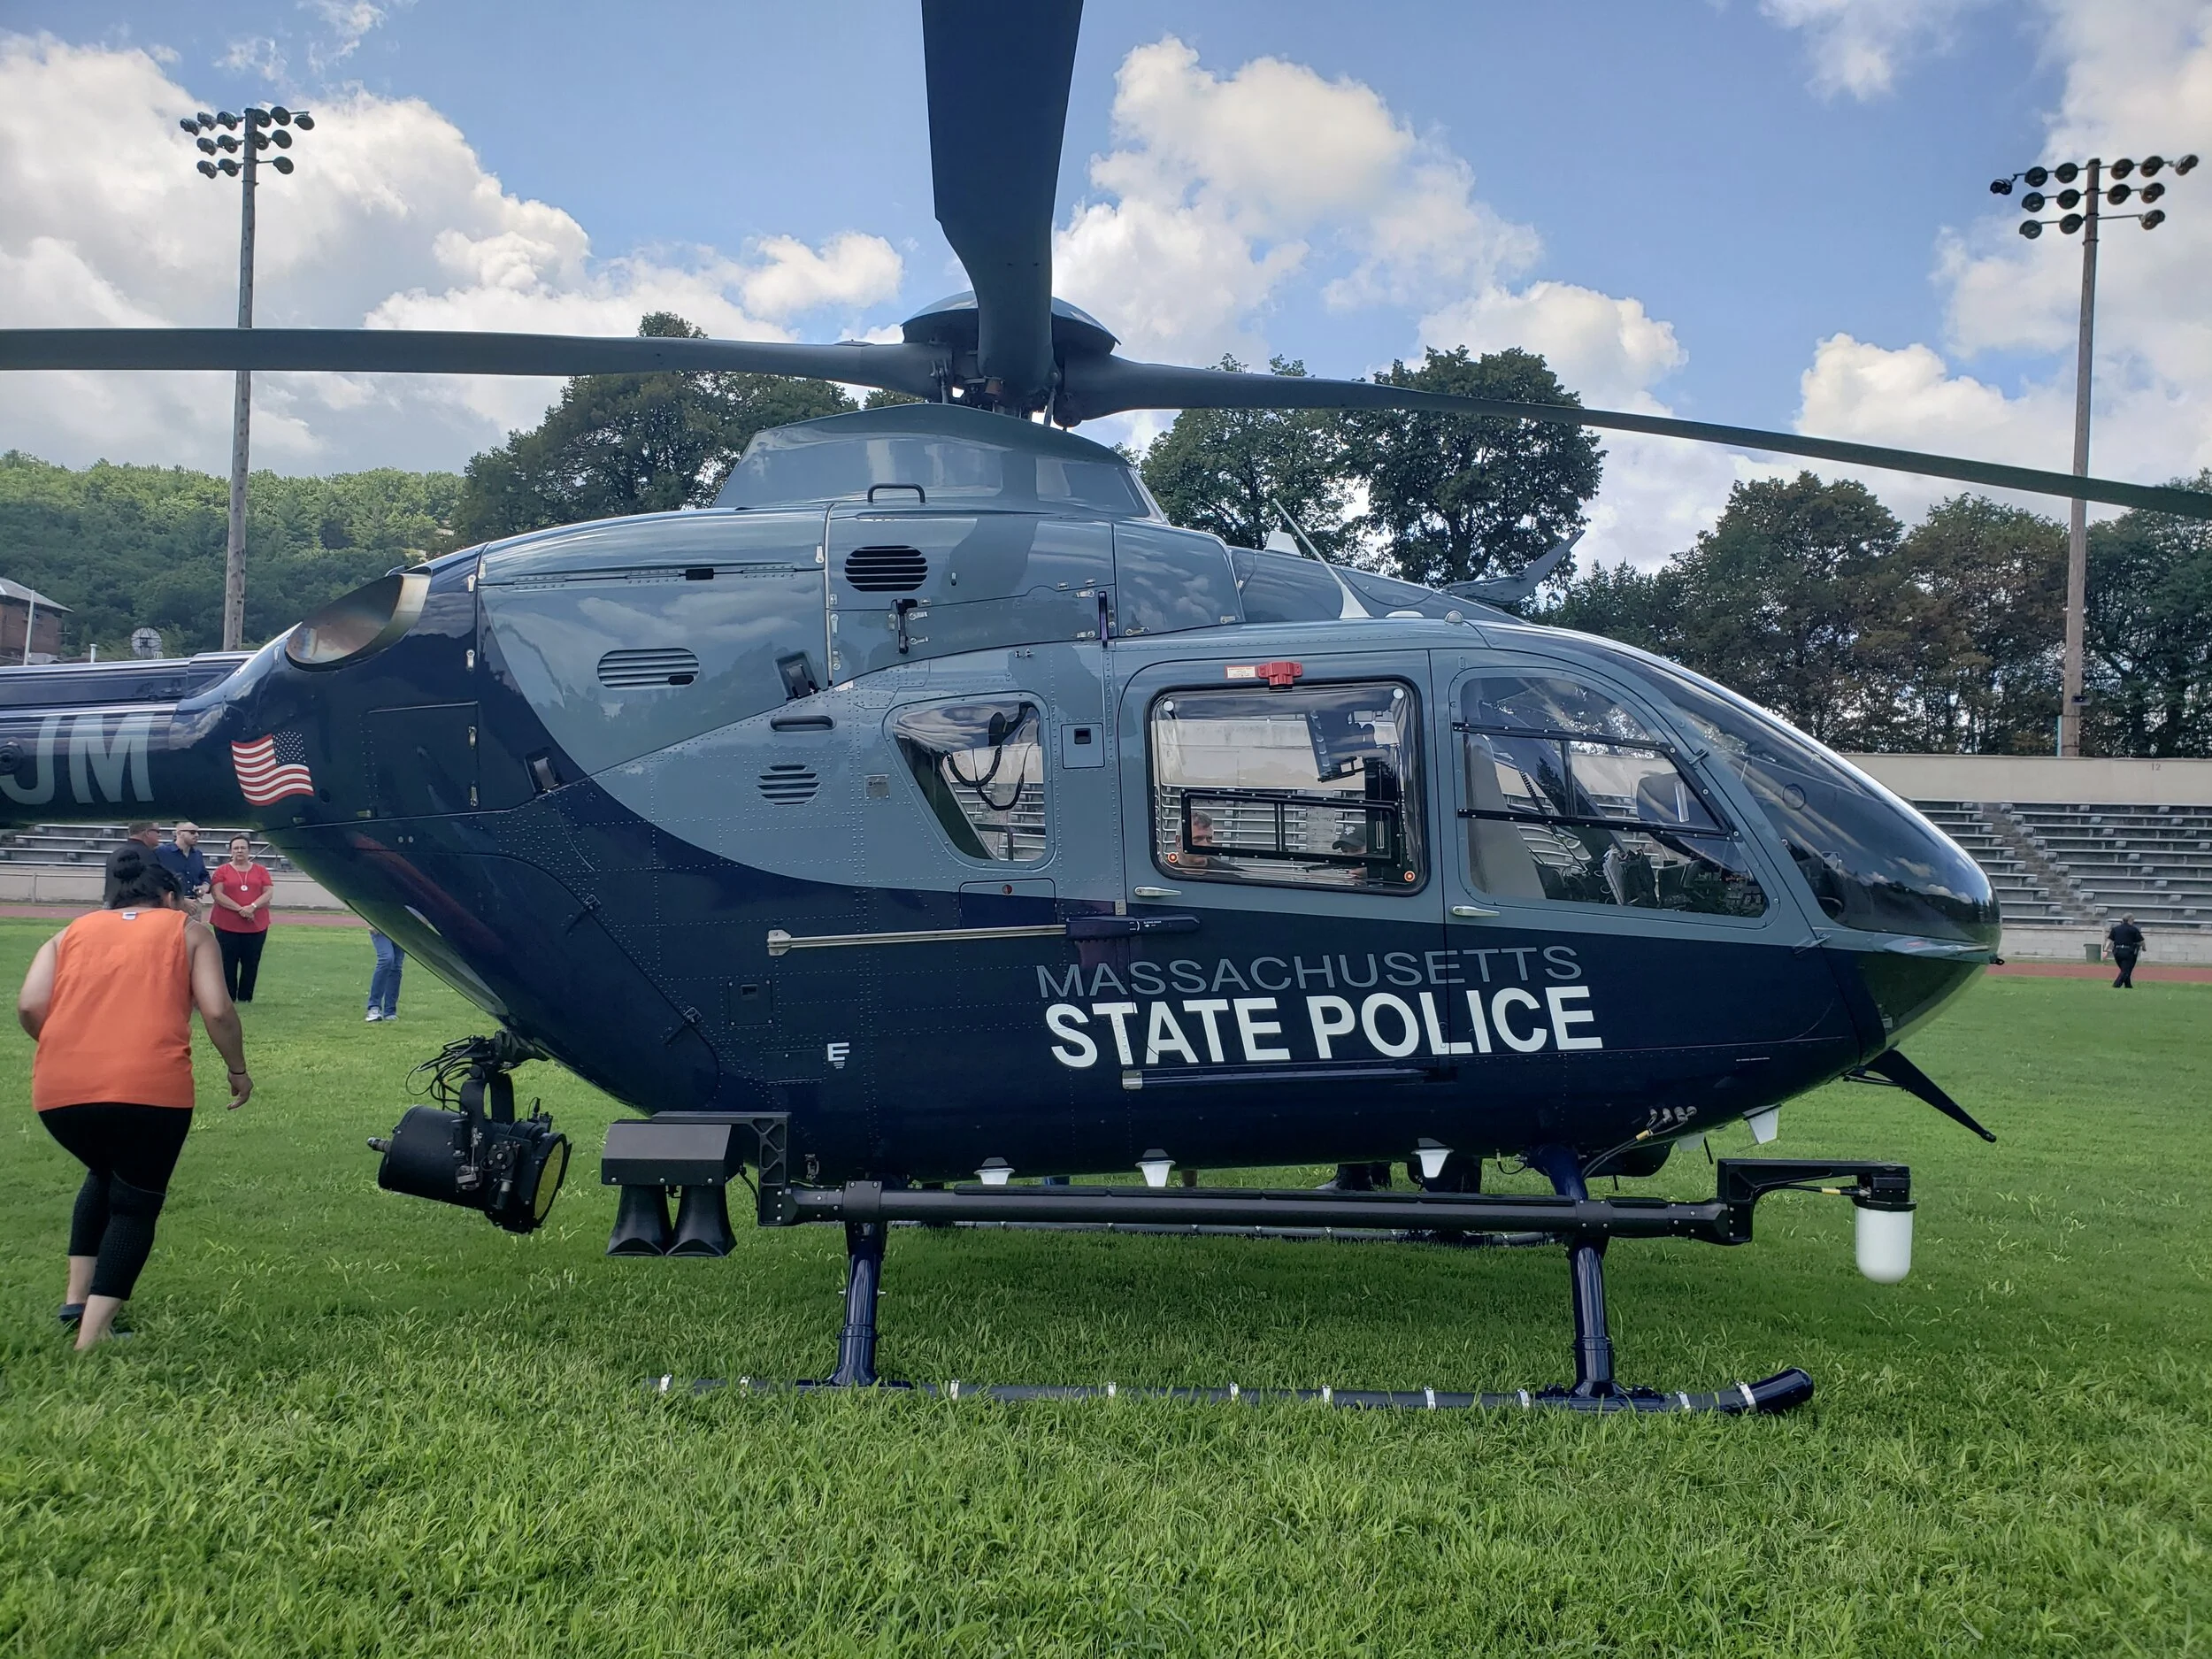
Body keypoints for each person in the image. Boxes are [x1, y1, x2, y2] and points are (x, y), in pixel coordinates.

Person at [18, 848, 252, 1350]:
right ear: (168, 896)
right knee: (135, 1203)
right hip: (150, 1090)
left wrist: (64, 1047)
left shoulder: (68, 933)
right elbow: (217, 1010)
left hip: (60, 1091)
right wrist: (238, 1070)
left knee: (103, 1173)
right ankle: (93, 1335)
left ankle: (76, 1301)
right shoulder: (187, 932)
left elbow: (31, 1004)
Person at [208, 834, 273, 1002]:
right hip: (226, 924)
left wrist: (252, 907)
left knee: (251, 961)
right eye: (236, 848)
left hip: (256, 925)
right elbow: (217, 894)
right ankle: (228, 997)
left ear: (249, 850)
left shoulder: (261, 870)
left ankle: (246, 998)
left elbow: (268, 892)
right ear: (230, 851)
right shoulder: (222, 871)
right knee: (227, 962)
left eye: (242, 848)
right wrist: (240, 909)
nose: (239, 851)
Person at [156, 821, 211, 921]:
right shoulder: (161, 852)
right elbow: (156, 879)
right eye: (192, 832)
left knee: (193, 935)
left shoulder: (197, 854)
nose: (197, 835)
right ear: (180, 833)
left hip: (193, 905)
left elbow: (204, 875)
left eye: (199, 833)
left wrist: (205, 886)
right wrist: (180, 900)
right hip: (170, 904)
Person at [102, 822, 162, 905]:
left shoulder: (114, 853)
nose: (160, 835)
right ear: (147, 833)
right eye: (157, 831)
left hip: (111, 904)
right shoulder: (147, 854)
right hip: (135, 906)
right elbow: (154, 885)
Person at [365, 930, 403, 1023]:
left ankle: (390, 1011)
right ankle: (374, 1007)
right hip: (381, 927)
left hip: (402, 928)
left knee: (396, 966)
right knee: (386, 959)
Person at [2105, 914, 2146, 989]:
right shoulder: (2133, 929)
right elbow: (2141, 941)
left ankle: (2128, 985)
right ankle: (2116, 985)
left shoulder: (2115, 929)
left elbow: (2110, 940)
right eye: (2133, 920)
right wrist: (2144, 948)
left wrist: (2105, 949)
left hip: (2117, 952)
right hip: (2128, 952)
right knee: (2126, 970)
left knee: (2125, 969)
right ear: (2130, 920)